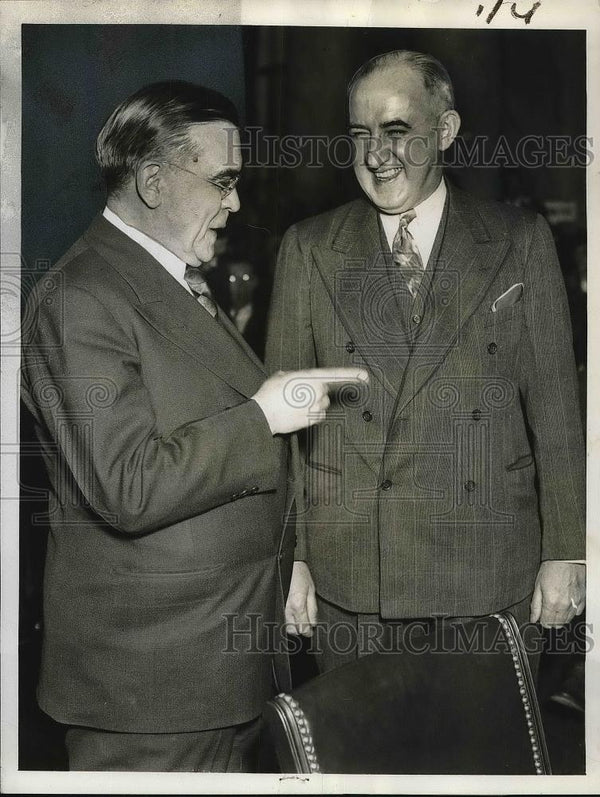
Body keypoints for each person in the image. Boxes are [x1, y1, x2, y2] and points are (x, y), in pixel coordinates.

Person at [21, 80, 365, 771]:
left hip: (216, 674)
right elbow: (127, 485)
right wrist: (264, 414)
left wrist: (288, 559)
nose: (236, 202)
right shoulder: (79, 297)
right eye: (223, 180)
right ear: (153, 180)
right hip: (149, 696)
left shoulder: (166, 279)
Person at [266, 51, 586, 672]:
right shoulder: (309, 248)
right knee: (359, 762)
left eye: (396, 133)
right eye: (360, 136)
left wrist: (566, 551)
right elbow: (285, 428)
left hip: (490, 573)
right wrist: (292, 558)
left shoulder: (519, 240)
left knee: (480, 765)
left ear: (444, 131)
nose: (376, 156)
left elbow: (555, 409)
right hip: (352, 579)